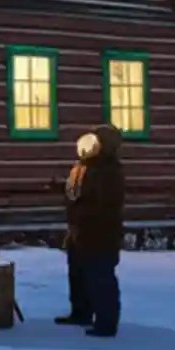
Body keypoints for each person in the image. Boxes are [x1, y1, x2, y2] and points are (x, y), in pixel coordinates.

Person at [56, 125, 126, 337]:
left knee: (100, 277)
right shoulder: (83, 167)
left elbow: (105, 203)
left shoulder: (109, 171)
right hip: (80, 231)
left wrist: (83, 211)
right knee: (78, 274)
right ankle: (81, 312)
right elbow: (74, 193)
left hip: (100, 233)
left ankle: (106, 322)